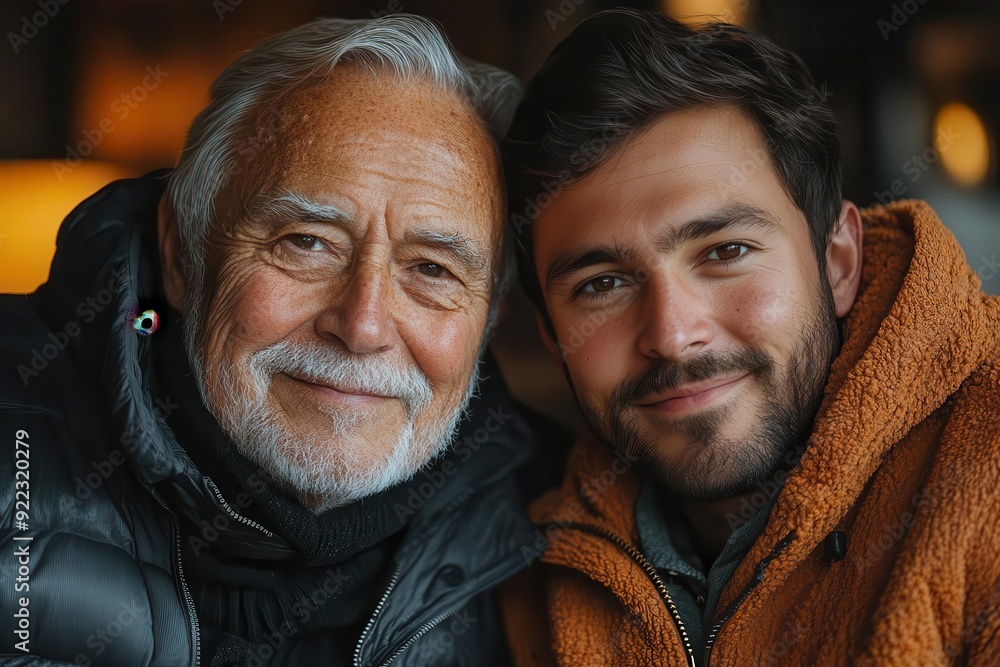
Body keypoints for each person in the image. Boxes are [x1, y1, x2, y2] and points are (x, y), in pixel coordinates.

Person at [0, 14, 544, 666]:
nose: (363, 324)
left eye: (432, 269)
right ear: (181, 253)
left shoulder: (563, 528)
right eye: (306, 243)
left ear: (490, 315)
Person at [500, 9, 1000, 666]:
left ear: (839, 260)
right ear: (550, 333)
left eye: (725, 250)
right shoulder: (517, 569)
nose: (673, 335)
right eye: (601, 284)